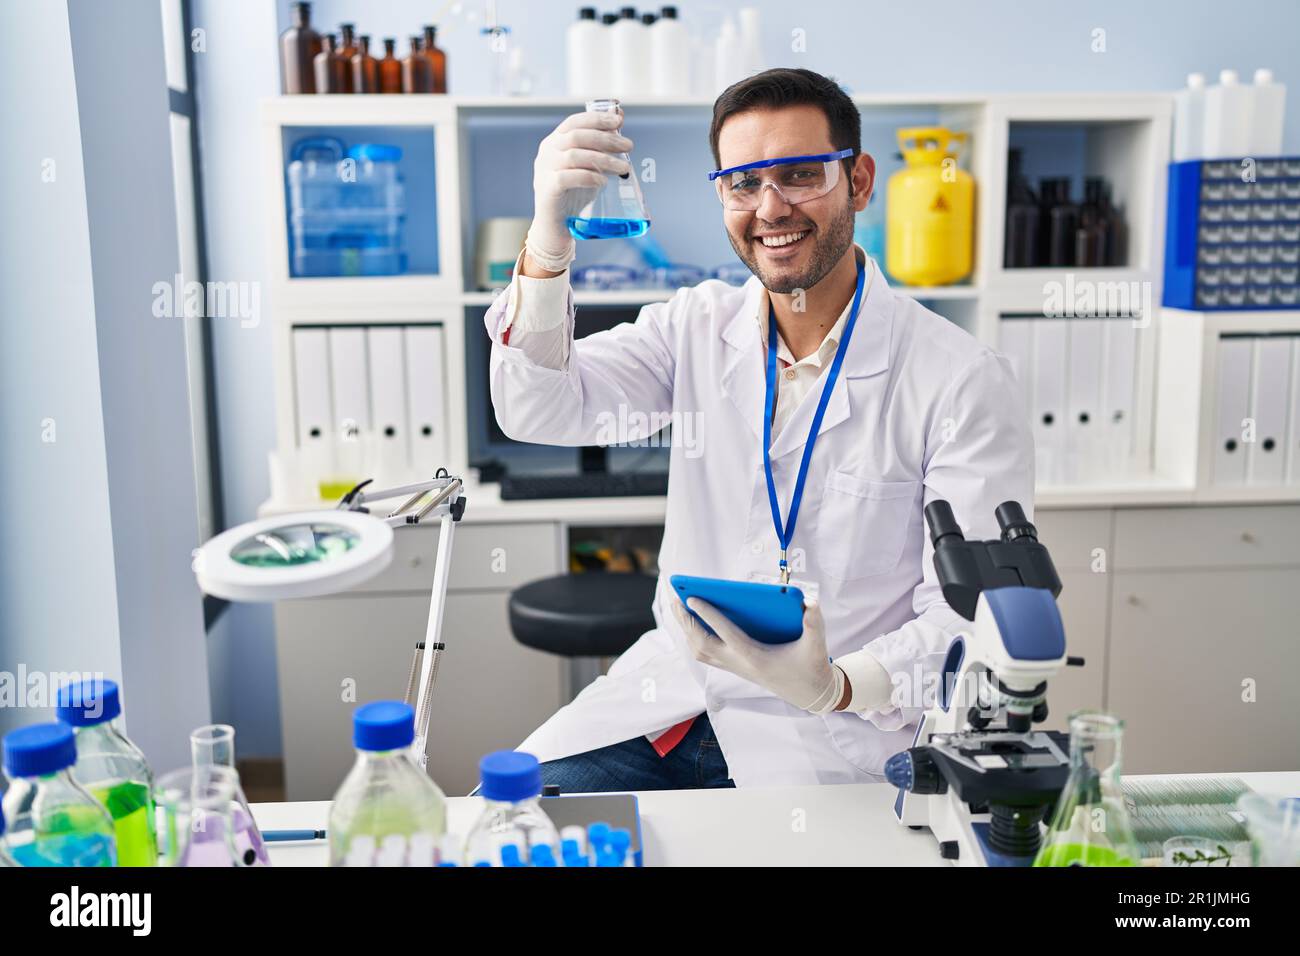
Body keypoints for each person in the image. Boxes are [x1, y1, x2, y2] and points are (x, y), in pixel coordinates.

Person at [484, 67, 1032, 790]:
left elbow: (976, 623)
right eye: (744, 184)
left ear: (859, 182)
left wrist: (836, 684)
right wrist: (549, 237)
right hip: (672, 708)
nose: (771, 208)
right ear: (722, 196)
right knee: (505, 823)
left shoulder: (959, 379)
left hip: (834, 732)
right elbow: (539, 408)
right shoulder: (695, 326)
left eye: (800, 175)